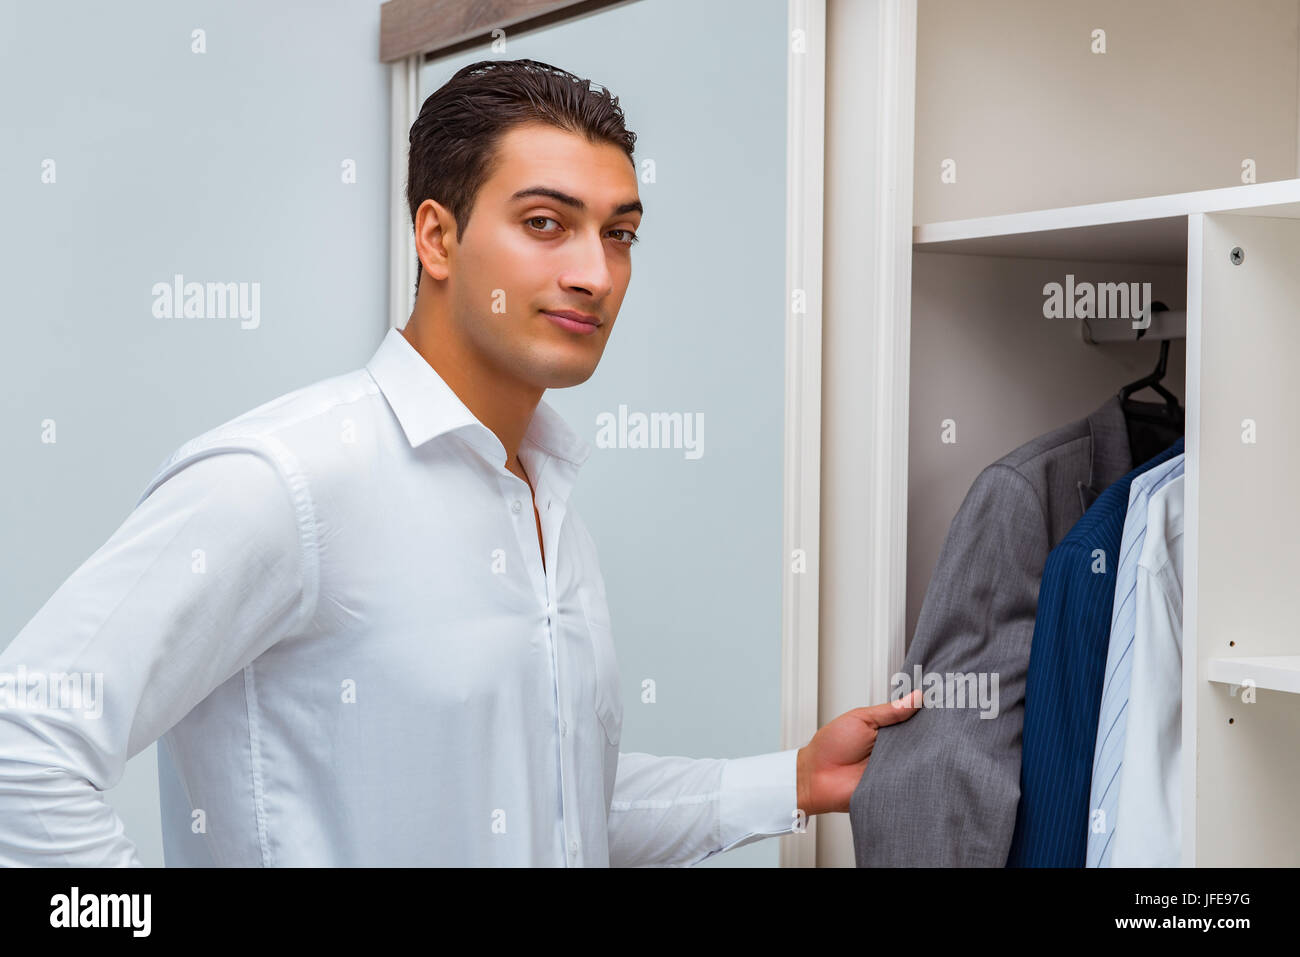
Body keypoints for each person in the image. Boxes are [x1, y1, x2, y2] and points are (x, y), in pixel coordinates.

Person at [0, 58, 918, 866]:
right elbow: (24, 744)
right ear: (437, 237)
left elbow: (554, 814)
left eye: (619, 233)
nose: (595, 274)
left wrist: (792, 779)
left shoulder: (550, 503)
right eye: (547, 223)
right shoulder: (287, 480)